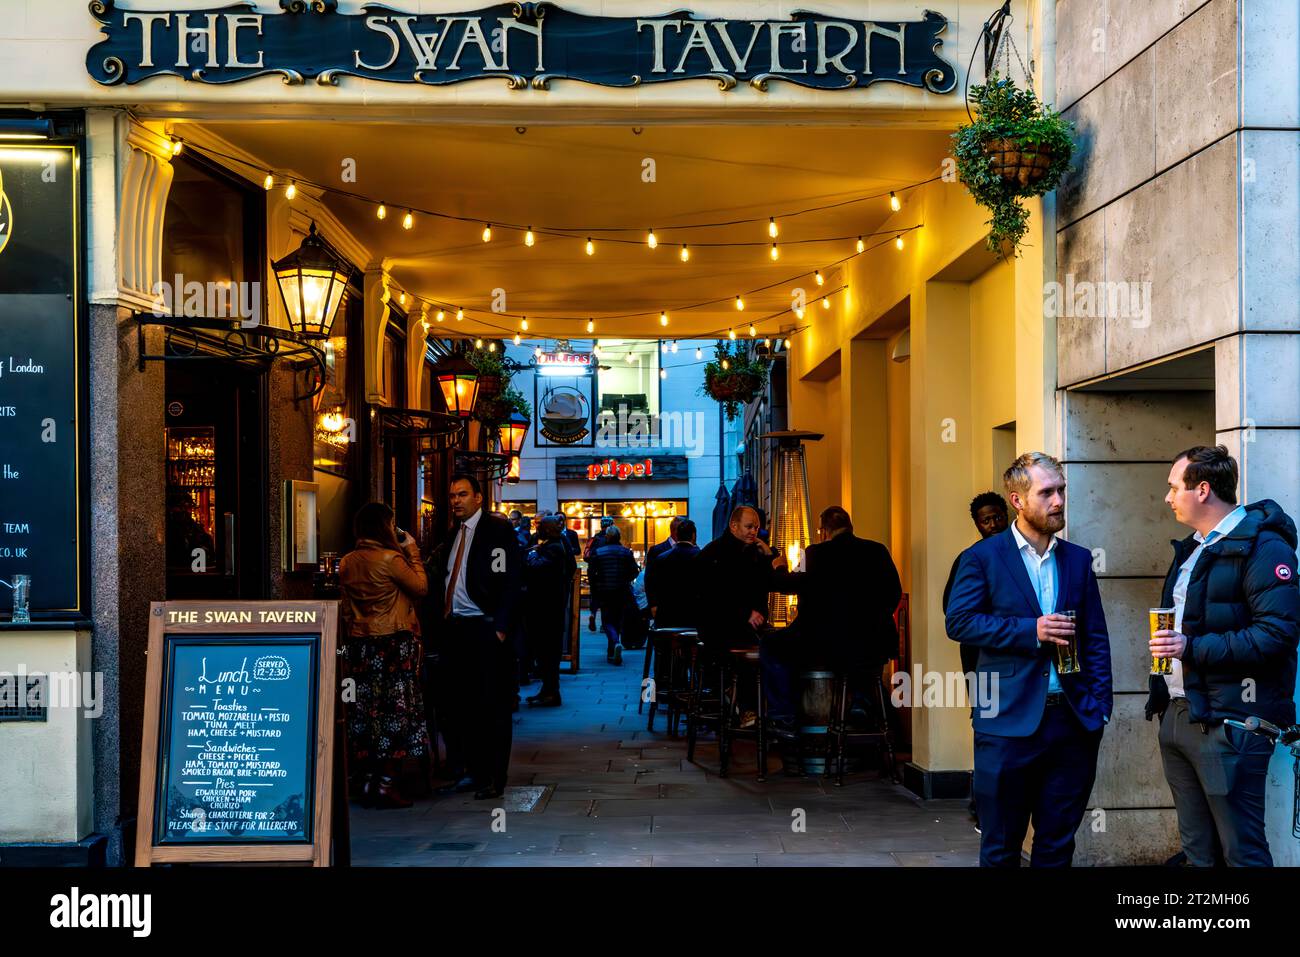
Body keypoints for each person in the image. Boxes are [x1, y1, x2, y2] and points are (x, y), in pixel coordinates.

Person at [946, 451, 1113, 867]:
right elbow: (960, 622)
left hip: (1072, 723)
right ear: (1017, 500)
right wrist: (1030, 631)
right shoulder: (981, 558)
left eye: (1061, 491)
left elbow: (1095, 636)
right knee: (1002, 846)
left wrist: (1100, 707)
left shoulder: (1076, 558)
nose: (1058, 501)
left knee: (1057, 847)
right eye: (1046, 493)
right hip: (1005, 723)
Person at [1146, 444, 1298, 867]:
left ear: (1203, 490)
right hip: (1180, 713)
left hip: (1231, 721)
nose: (1168, 497)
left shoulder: (1264, 549)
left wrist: (1190, 647)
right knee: (1199, 854)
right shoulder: (1194, 548)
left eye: (1174, 487)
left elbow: (1277, 635)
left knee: (1241, 852)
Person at [763, 506, 902, 737]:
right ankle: (860, 701)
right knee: (858, 666)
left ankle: (783, 716)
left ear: (824, 531)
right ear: (850, 527)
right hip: (875, 644)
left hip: (826, 643)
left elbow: (790, 584)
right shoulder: (877, 550)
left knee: (770, 645)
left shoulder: (815, 553)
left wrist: (779, 568)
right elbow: (893, 593)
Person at [427, 474, 523, 800]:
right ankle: (472, 771)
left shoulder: (497, 530)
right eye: (452, 495)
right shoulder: (453, 534)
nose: (456, 501)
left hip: (485, 629)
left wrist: (500, 627)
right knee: (460, 706)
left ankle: (495, 778)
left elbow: (512, 580)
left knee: (492, 706)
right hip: (456, 630)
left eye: (463, 494)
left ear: (478, 498)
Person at [337, 502, 431, 809]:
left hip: (362, 647)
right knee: (396, 715)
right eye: (391, 524)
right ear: (383, 527)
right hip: (392, 644)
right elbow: (420, 587)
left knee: (367, 714)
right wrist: (413, 551)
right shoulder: (392, 559)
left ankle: (366, 779)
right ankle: (386, 783)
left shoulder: (348, 561)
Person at [943, 491, 1010, 827]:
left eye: (998, 516)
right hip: (979, 659)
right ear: (978, 525)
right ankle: (981, 802)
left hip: (1014, 663)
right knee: (986, 725)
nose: (994, 524)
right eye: (986, 520)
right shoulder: (970, 559)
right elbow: (952, 614)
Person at [694, 505, 782, 655]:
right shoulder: (715, 553)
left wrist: (769, 555)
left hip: (747, 627)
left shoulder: (753, 550)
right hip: (721, 629)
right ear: (733, 526)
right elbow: (714, 595)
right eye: (749, 527)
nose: (754, 532)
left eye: (756, 527)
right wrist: (746, 613)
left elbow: (772, 584)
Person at [524, 515, 576, 707]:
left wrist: (532, 554)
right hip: (551, 605)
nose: (536, 529)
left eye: (539, 526)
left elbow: (534, 567)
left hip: (546, 608)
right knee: (547, 652)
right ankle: (548, 690)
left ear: (546, 529)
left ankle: (551, 692)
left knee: (547, 651)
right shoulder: (555, 544)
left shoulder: (553, 547)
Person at [586, 525, 640, 664]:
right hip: (622, 591)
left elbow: (592, 573)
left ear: (607, 537)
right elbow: (634, 571)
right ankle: (613, 651)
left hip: (605, 591)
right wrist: (625, 579)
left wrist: (596, 586)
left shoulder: (599, 552)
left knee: (607, 621)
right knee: (618, 620)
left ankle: (615, 643)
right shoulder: (626, 552)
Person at [644, 518, 700, 627]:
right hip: (689, 611)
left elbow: (651, 581)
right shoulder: (700, 555)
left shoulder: (661, 557)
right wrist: (653, 604)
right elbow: (650, 580)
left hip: (667, 610)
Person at [584, 516, 616, 631]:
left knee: (595, 595)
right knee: (606, 599)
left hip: (593, 572)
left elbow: (586, 556)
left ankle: (593, 613)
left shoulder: (595, 539)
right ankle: (604, 624)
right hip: (605, 573)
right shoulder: (611, 539)